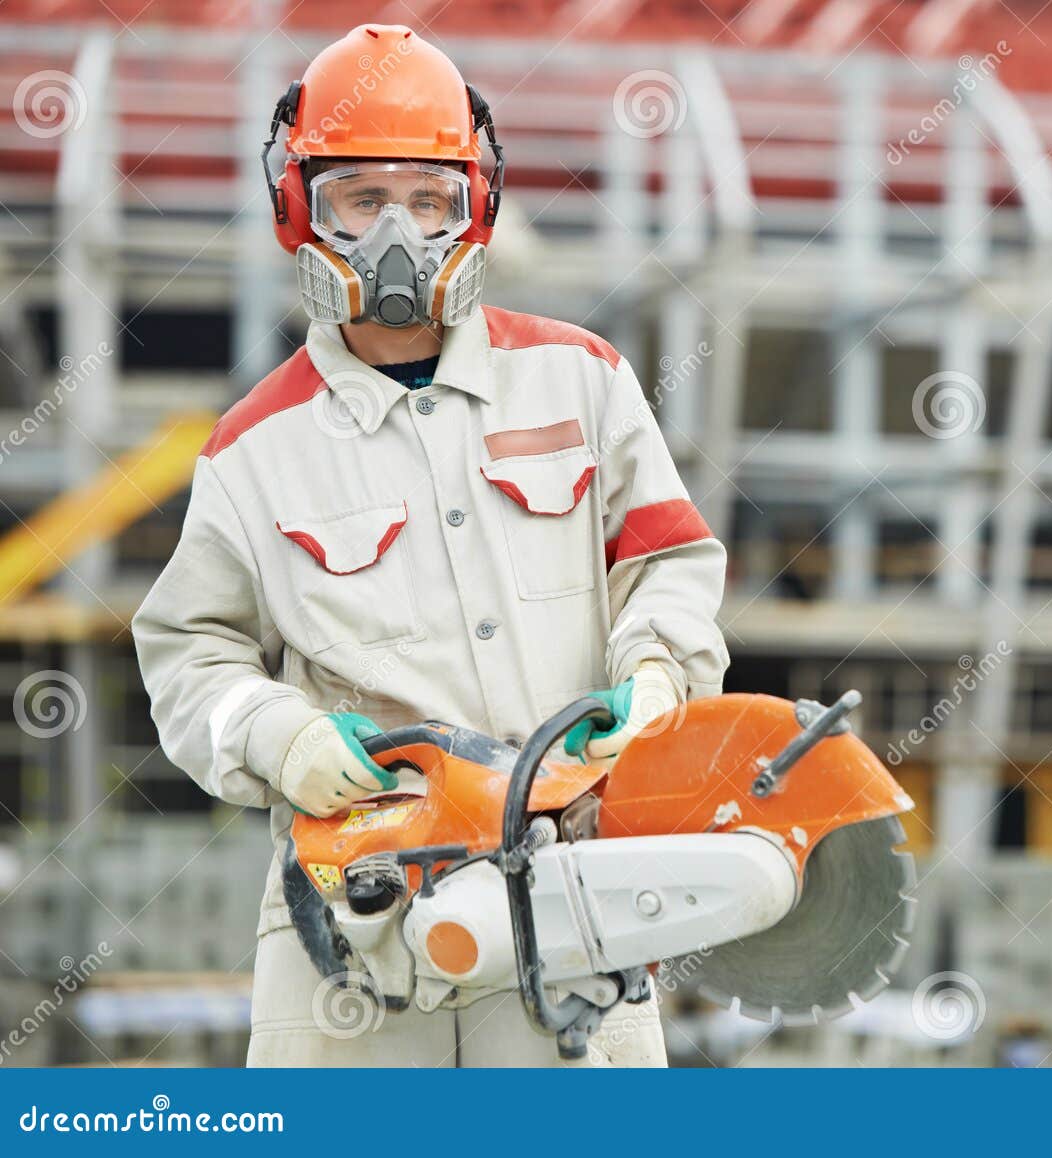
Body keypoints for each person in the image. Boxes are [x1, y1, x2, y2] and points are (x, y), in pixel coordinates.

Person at [131, 24, 728, 1067]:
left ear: (476, 204)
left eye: (428, 198)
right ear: (298, 212)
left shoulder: (581, 381)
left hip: (576, 894)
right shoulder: (253, 451)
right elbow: (190, 657)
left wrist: (657, 673)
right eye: (361, 200)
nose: (397, 234)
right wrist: (283, 738)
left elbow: (664, 564)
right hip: (352, 922)